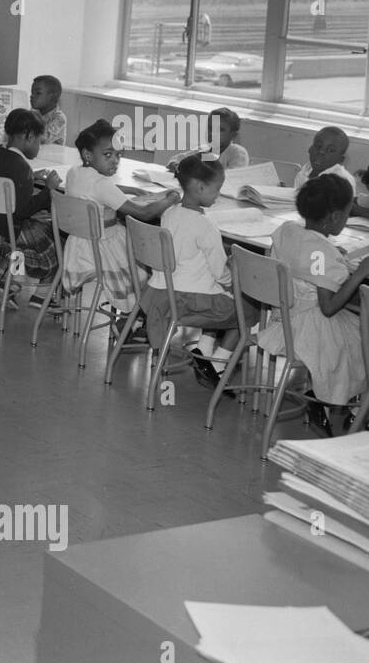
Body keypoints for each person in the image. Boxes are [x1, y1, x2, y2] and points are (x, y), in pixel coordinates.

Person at [258, 174, 369, 435]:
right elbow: (328, 307)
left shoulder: (287, 231)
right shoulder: (324, 252)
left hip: (285, 319)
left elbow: (308, 263)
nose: (346, 218)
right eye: (346, 214)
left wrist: (332, 258)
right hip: (312, 330)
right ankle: (346, 408)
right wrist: (360, 273)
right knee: (362, 338)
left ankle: (334, 402)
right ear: (333, 217)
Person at [139, 154, 259, 392]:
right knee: (247, 309)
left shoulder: (170, 213)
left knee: (218, 295)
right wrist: (234, 273)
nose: (218, 195)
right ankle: (218, 363)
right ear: (200, 186)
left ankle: (203, 348)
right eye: (218, 189)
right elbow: (220, 274)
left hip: (159, 294)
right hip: (186, 301)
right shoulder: (206, 225)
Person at [62, 119, 179, 317]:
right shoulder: (101, 185)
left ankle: (134, 317)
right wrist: (170, 199)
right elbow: (144, 213)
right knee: (151, 261)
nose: (115, 160)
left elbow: (93, 190)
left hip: (77, 246)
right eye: (108, 154)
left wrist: (126, 189)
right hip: (103, 250)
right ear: (88, 154)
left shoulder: (74, 172)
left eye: (119, 155)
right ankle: (138, 317)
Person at [0, 109, 59, 310]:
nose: (38, 147)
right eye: (38, 141)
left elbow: (7, 180)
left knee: (25, 230)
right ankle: (41, 295)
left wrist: (32, 178)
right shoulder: (22, 167)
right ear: (29, 137)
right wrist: (47, 191)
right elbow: (21, 211)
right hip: (7, 236)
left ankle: (10, 282)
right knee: (56, 236)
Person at [166, 107, 249, 170]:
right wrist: (175, 164)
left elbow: (232, 178)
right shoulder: (203, 149)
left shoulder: (237, 153)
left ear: (233, 135)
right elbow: (177, 159)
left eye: (220, 129)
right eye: (210, 128)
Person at [31, 75, 67, 146]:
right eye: (32, 92)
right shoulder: (33, 113)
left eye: (38, 93)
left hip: (51, 156)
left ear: (51, 96)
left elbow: (43, 139)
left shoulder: (59, 118)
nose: (32, 96)